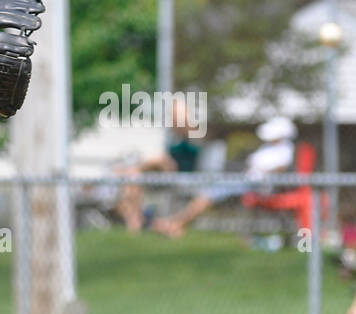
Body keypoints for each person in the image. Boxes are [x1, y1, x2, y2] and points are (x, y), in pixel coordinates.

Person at [152, 116, 296, 239]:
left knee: (209, 195)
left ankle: (176, 223)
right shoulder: (269, 148)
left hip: (257, 186)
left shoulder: (285, 150)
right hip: (245, 181)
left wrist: (262, 171)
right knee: (209, 192)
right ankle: (177, 223)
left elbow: (278, 170)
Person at [113, 99, 201, 233]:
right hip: (162, 175)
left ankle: (137, 221)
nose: (174, 120)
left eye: (178, 116)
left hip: (180, 177)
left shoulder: (193, 138)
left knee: (143, 168)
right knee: (134, 177)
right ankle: (136, 220)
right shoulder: (172, 138)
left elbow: (173, 162)